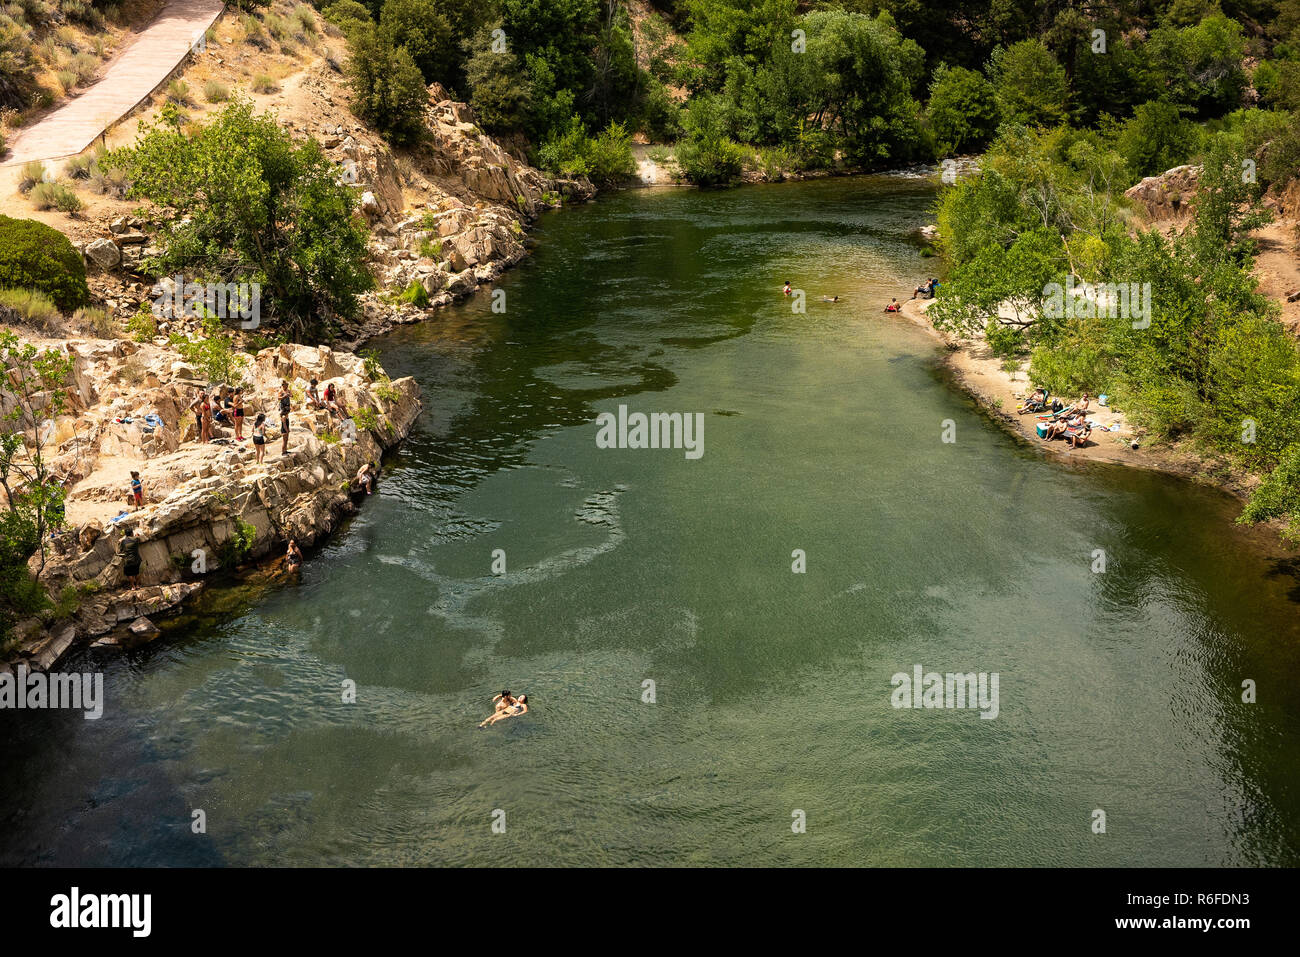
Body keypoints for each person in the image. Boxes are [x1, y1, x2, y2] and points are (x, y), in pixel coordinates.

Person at [277, 381, 292, 455]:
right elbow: (278, 398)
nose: (286, 386)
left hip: (286, 405)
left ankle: (285, 450)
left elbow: (291, 395)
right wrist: (287, 430)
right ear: (283, 385)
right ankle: (283, 451)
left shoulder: (288, 390)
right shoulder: (281, 391)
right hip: (283, 405)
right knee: (284, 439)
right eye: (286, 385)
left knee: (286, 440)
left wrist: (289, 394)